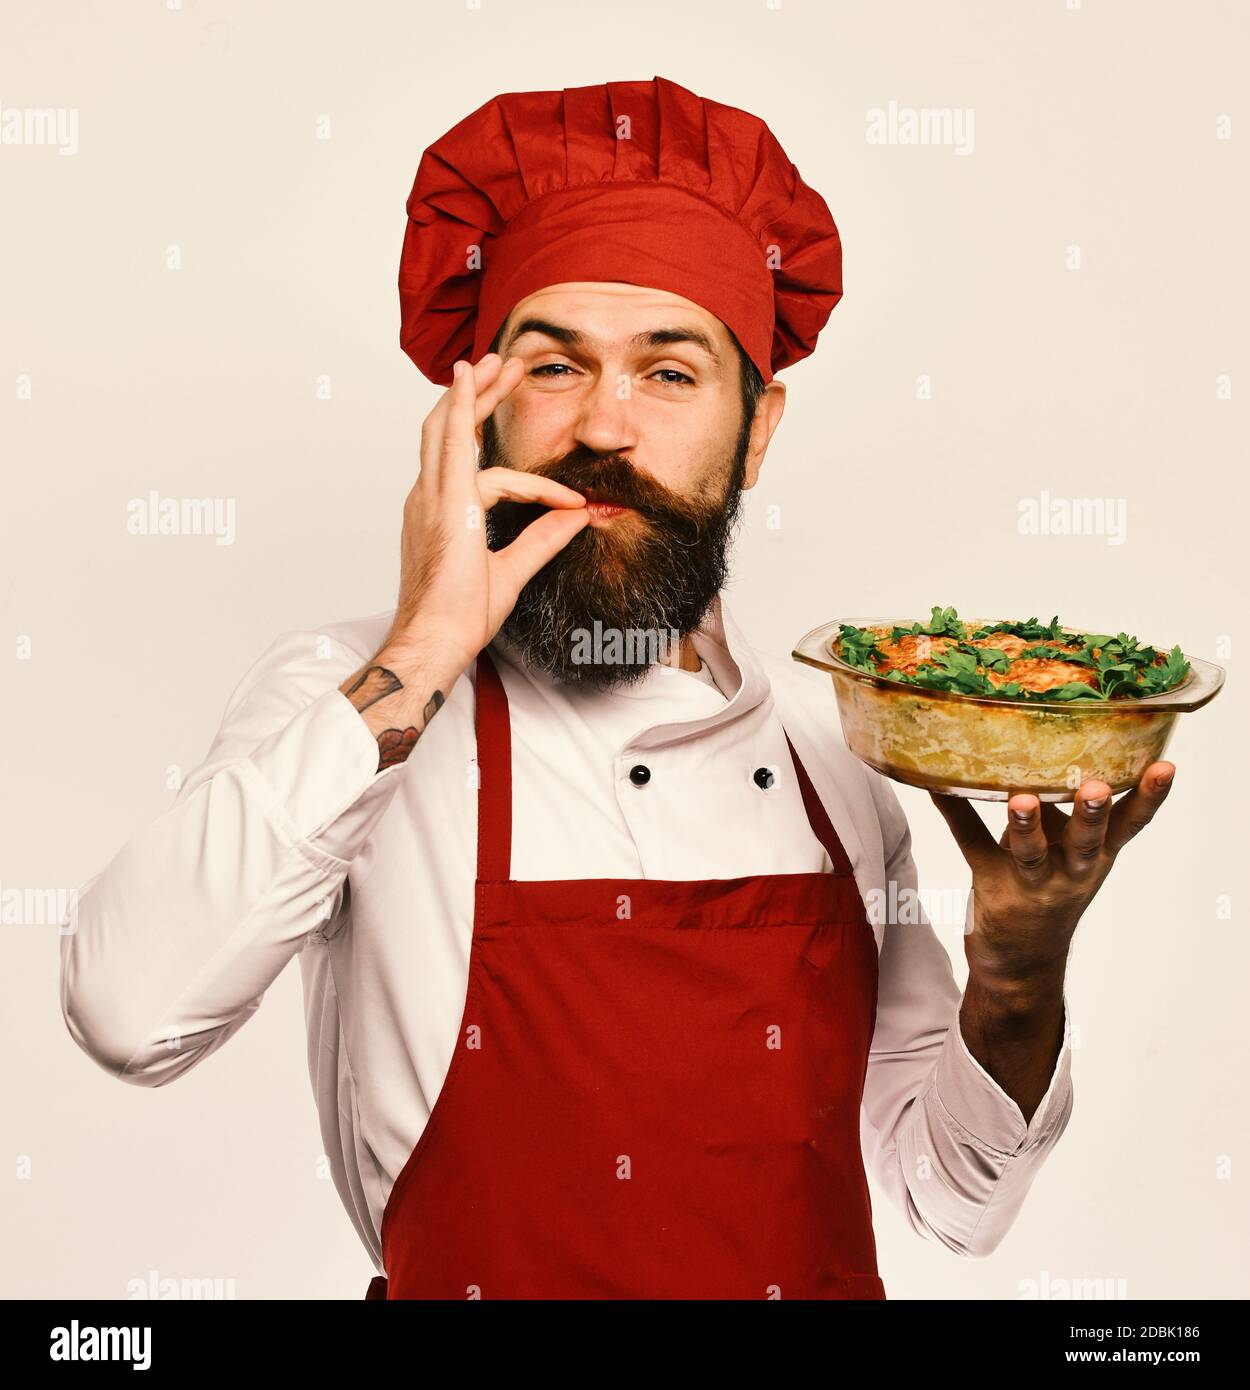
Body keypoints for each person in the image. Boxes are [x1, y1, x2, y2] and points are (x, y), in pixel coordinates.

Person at [61, 76, 1175, 1300]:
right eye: (553, 367)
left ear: (756, 430)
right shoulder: (355, 698)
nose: (604, 426)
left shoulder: (831, 754)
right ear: (474, 415)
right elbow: (127, 1015)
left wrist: (1017, 975)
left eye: (669, 373)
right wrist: (424, 650)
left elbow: (949, 1199)